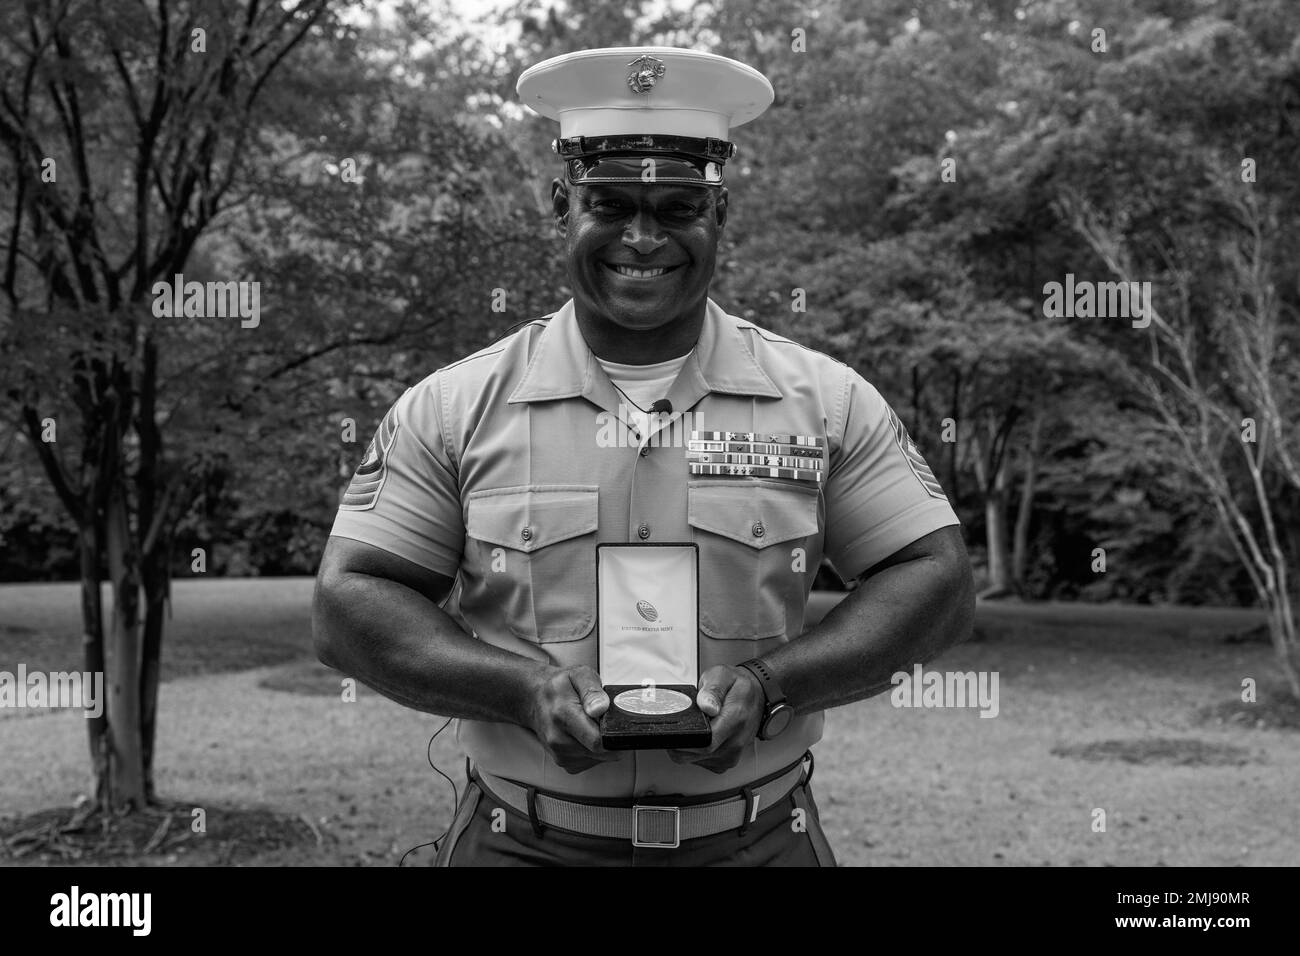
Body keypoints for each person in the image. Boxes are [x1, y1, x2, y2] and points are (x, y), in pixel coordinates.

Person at [313, 46, 975, 866]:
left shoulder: (825, 400)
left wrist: (776, 685)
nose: (642, 236)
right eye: (611, 203)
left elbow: (936, 581)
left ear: (720, 213)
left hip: (758, 843)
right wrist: (518, 692)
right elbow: (348, 601)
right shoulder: (454, 406)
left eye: (677, 207)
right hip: (522, 845)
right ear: (562, 205)